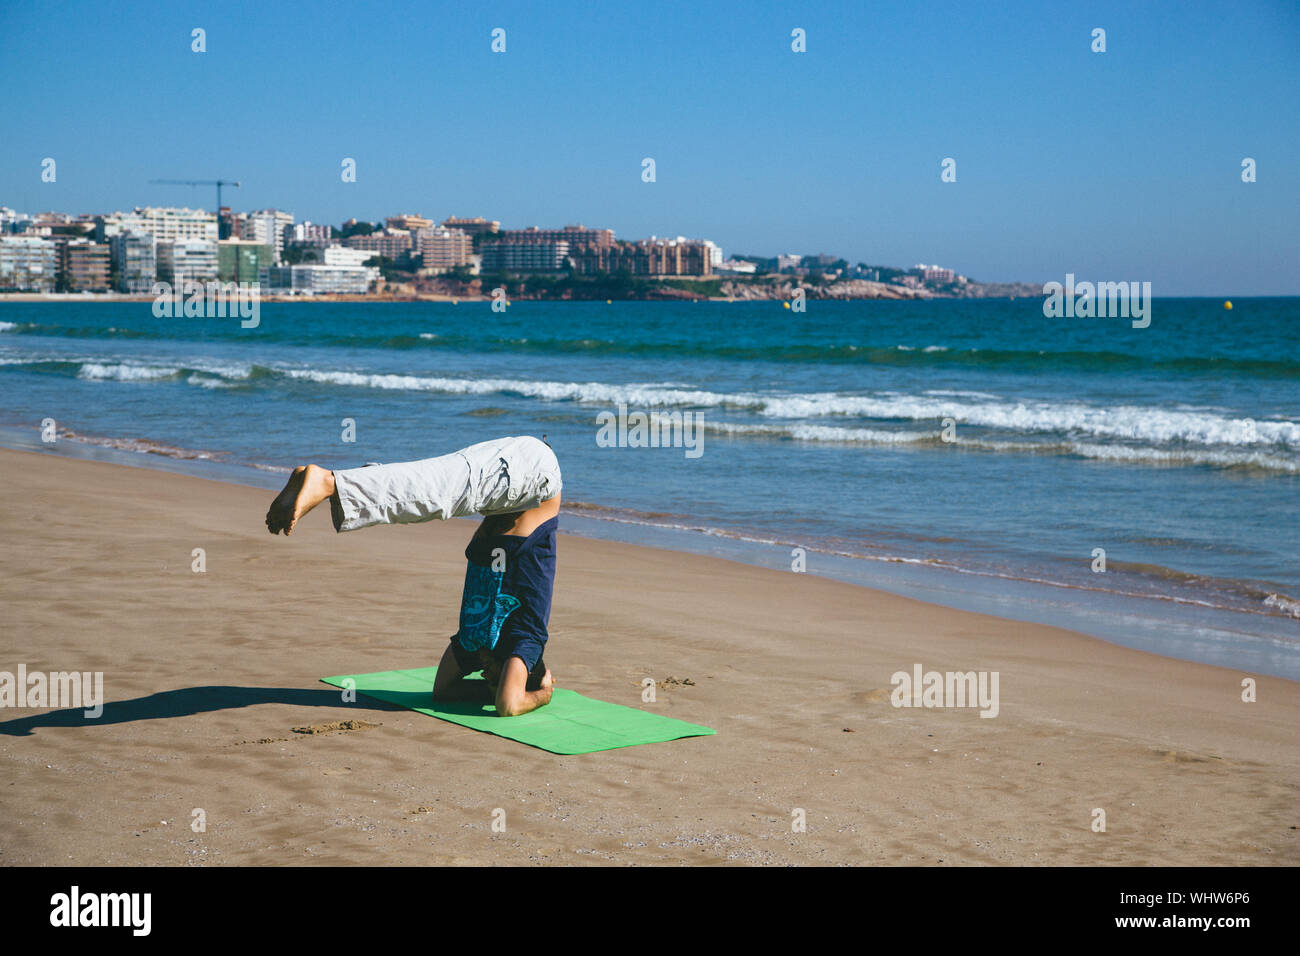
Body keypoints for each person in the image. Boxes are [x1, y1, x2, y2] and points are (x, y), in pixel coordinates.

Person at [264, 436, 561, 717]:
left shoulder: (472, 644)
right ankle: (329, 483)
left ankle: (329, 483)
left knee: (431, 495)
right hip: (536, 472)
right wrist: (542, 694)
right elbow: (508, 705)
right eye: (495, 679)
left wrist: (486, 690)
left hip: (516, 478)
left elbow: (443, 691)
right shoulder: (527, 642)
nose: (485, 675)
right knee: (439, 492)